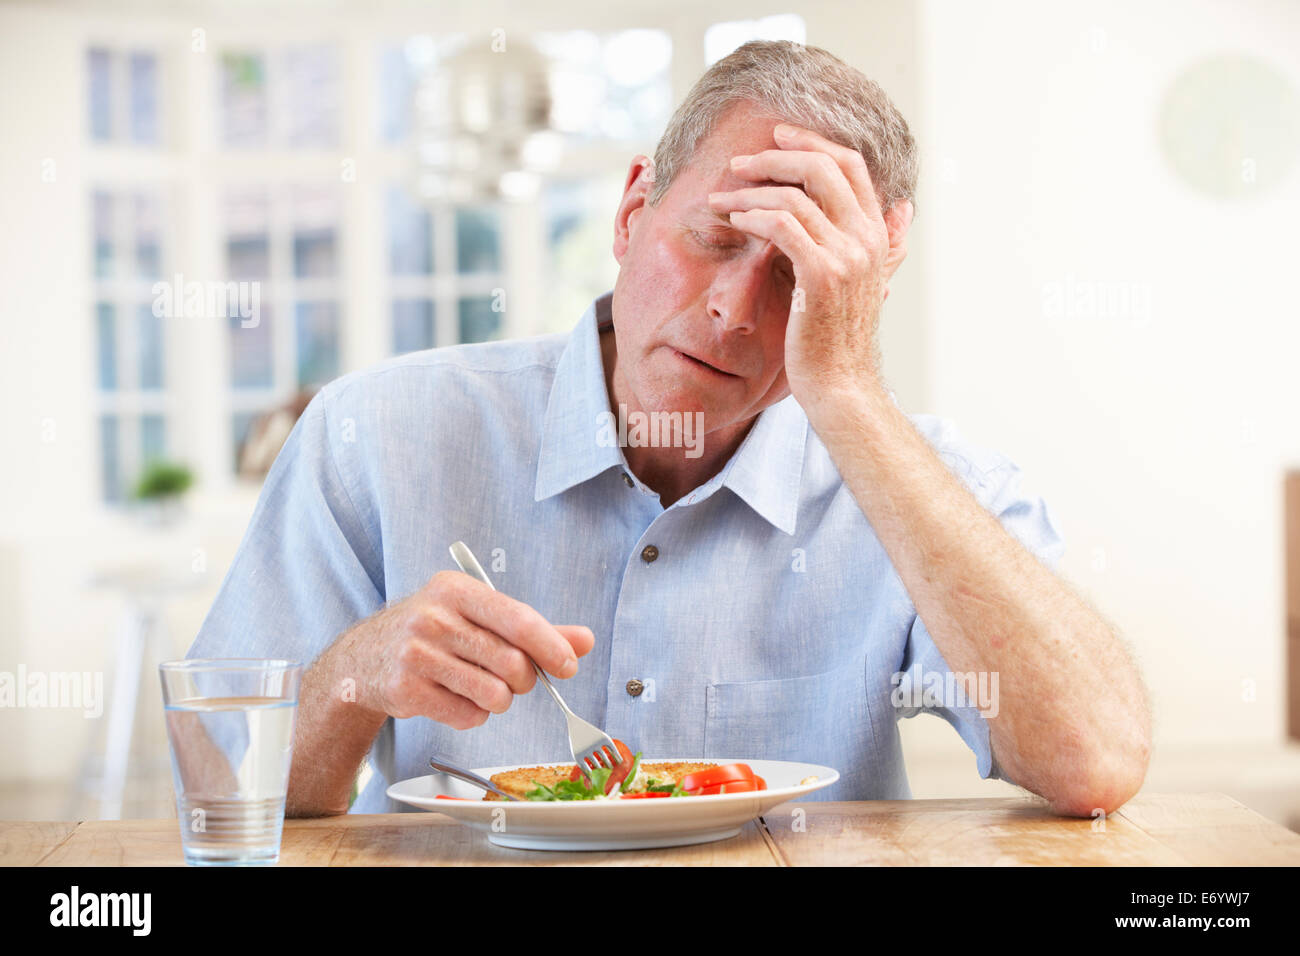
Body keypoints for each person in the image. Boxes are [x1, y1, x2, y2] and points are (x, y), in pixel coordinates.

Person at [189, 40, 1150, 817]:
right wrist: (353, 677)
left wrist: (849, 393)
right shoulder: (377, 433)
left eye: (794, 275)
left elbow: (1095, 761)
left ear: (862, 293)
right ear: (632, 207)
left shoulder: (931, 486)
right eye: (717, 238)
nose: (735, 308)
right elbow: (220, 786)